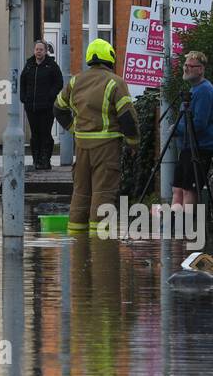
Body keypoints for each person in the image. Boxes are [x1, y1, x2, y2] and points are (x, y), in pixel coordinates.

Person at [54, 38, 140, 232]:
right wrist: (133, 143)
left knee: (81, 193)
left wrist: (75, 129)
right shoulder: (115, 82)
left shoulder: (76, 81)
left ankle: (78, 246)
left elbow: (58, 109)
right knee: (103, 193)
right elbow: (127, 117)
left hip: (82, 146)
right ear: (110, 58)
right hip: (107, 147)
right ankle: (101, 248)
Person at [175, 50, 213, 207]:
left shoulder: (204, 91)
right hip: (188, 147)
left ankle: (186, 227)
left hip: (200, 148)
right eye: (185, 65)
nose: (186, 68)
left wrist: (176, 129)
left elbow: (199, 124)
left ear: (200, 69)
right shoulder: (194, 89)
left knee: (189, 190)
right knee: (178, 189)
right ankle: (174, 224)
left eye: (191, 65)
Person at [20, 39, 63, 171]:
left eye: (41, 50)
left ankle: (45, 160)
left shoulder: (52, 66)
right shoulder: (29, 65)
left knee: (45, 133)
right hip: (31, 107)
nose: (38, 52)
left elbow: (59, 83)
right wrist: (24, 98)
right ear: (34, 51)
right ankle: (36, 160)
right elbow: (22, 82)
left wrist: (51, 96)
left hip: (47, 107)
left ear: (46, 51)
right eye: (37, 49)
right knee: (35, 134)